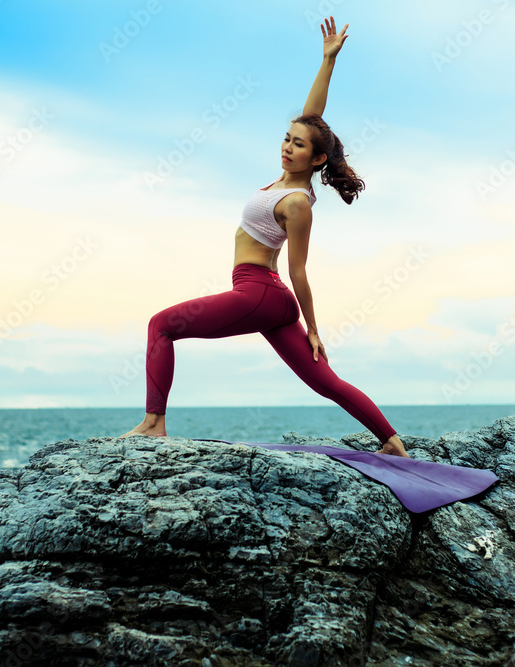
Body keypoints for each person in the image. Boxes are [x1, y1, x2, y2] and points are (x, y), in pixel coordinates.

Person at [121, 16, 409, 457]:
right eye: (287, 139)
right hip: (265, 297)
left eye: (297, 145)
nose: (287, 147)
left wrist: (314, 329)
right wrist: (328, 60)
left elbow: (299, 271)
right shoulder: (285, 178)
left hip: (261, 292)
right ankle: (392, 443)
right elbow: (314, 115)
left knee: (161, 325)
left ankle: (153, 423)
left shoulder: (296, 202)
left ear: (316, 160)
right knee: (324, 382)